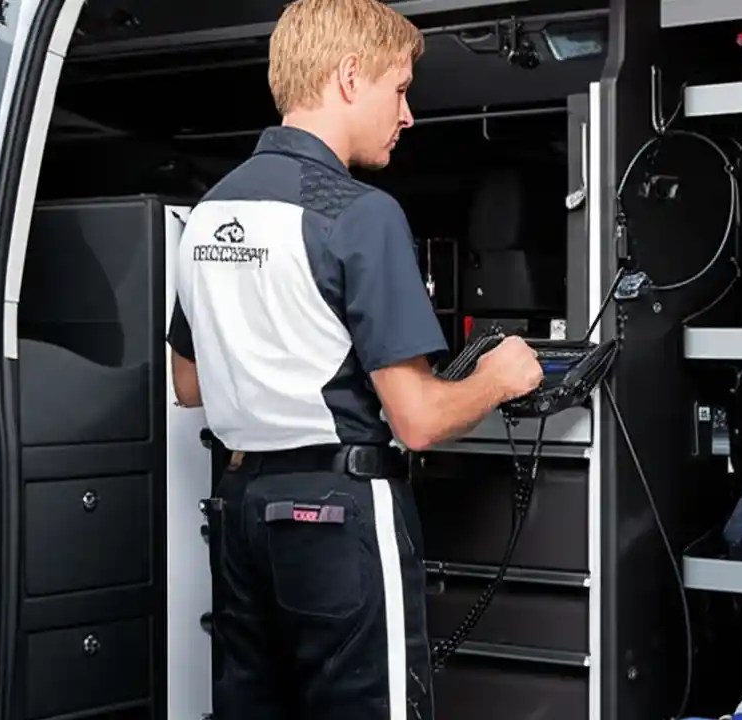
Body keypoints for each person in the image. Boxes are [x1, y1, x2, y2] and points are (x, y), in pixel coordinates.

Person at [165, 0, 543, 718]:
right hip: (338, 517)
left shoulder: (208, 213)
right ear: (347, 77)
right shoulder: (358, 212)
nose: (407, 116)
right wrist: (500, 376)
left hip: (242, 515)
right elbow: (419, 420)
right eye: (398, 90)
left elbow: (188, 383)